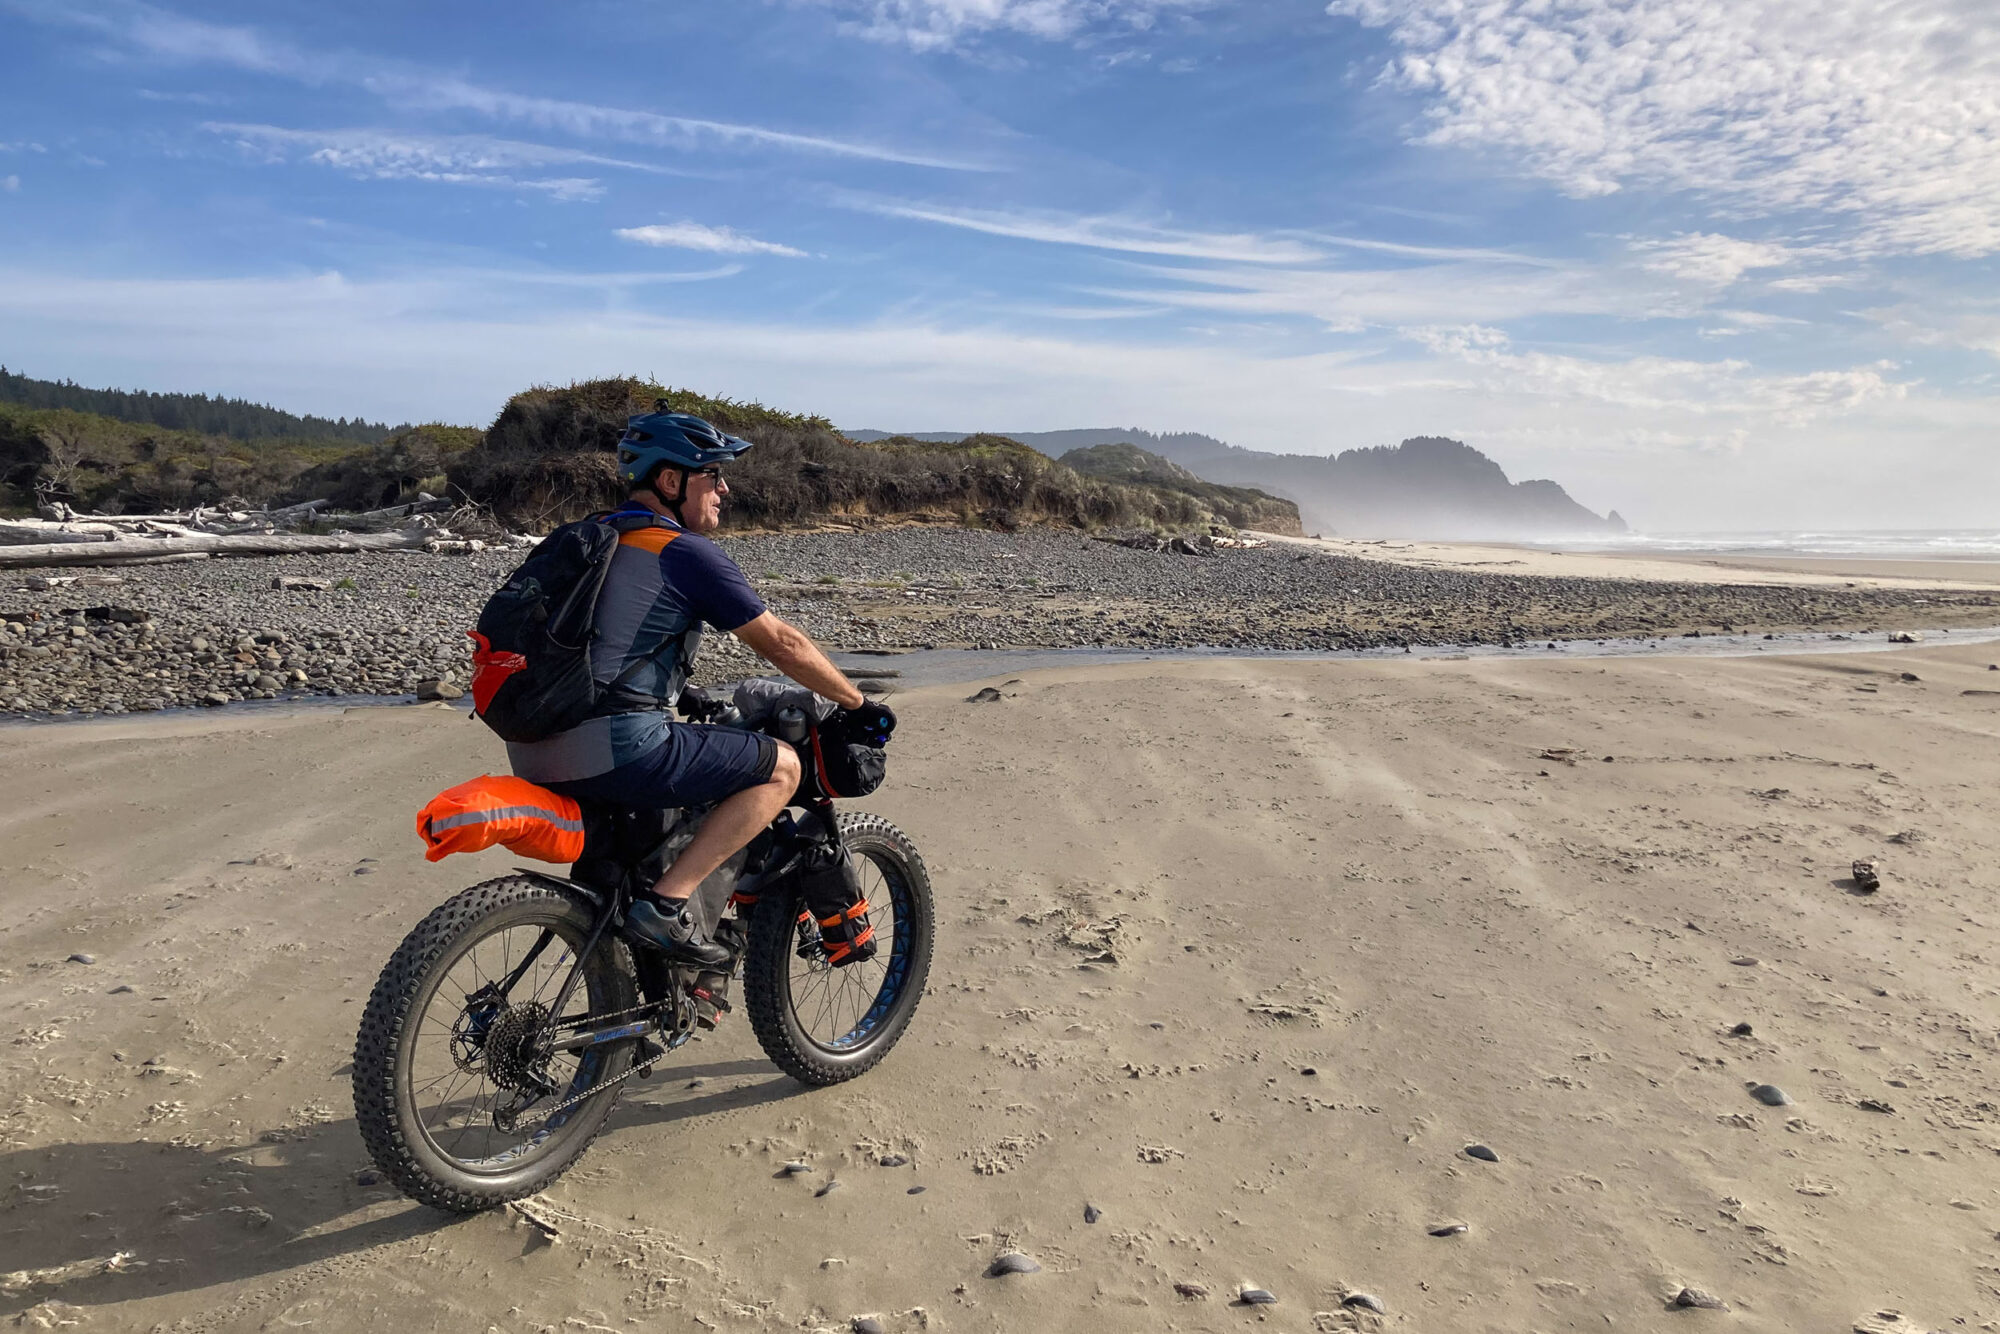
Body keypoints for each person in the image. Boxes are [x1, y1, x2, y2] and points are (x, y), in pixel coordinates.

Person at [504, 409, 893, 967]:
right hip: (613, 751)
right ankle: (666, 905)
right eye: (714, 475)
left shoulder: (586, 538)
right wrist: (855, 702)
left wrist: (681, 696)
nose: (724, 489)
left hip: (533, 749)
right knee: (782, 767)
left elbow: (603, 647)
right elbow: (781, 643)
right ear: (671, 481)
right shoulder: (681, 552)